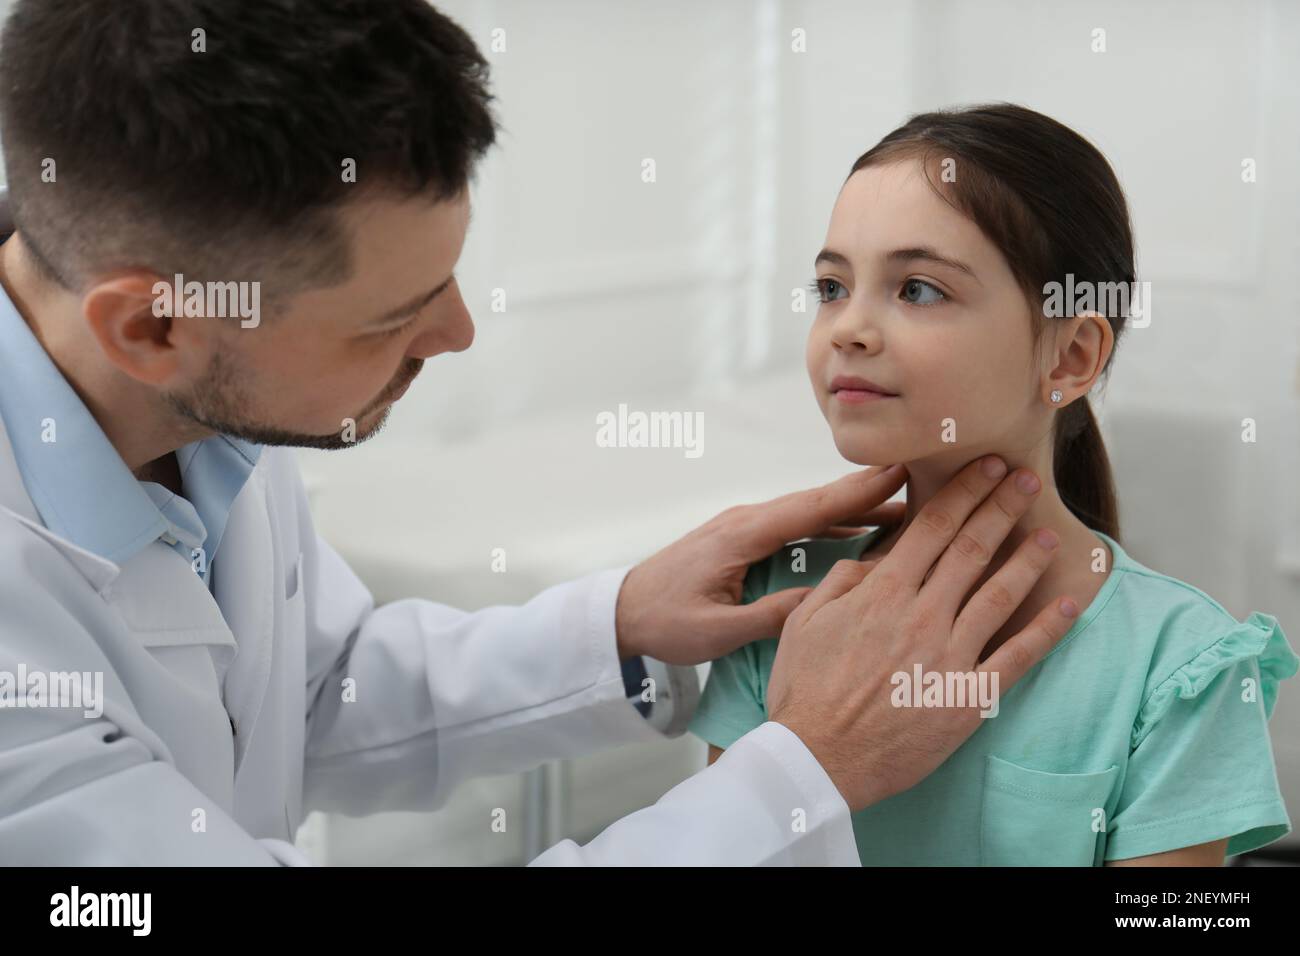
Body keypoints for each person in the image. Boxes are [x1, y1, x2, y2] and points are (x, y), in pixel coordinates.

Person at [0, 2, 1076, 866]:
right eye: (391, 319)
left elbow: (319, 693)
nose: (458, 332)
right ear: (152, 325)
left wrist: (622, 626)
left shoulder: (198, 408)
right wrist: (798, 775)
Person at [689, 105, 1299, 865]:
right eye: (830, 286)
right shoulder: (778, 606)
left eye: (916, 289)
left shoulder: (1178, 668)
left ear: (1072, 355)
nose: (849, 327)